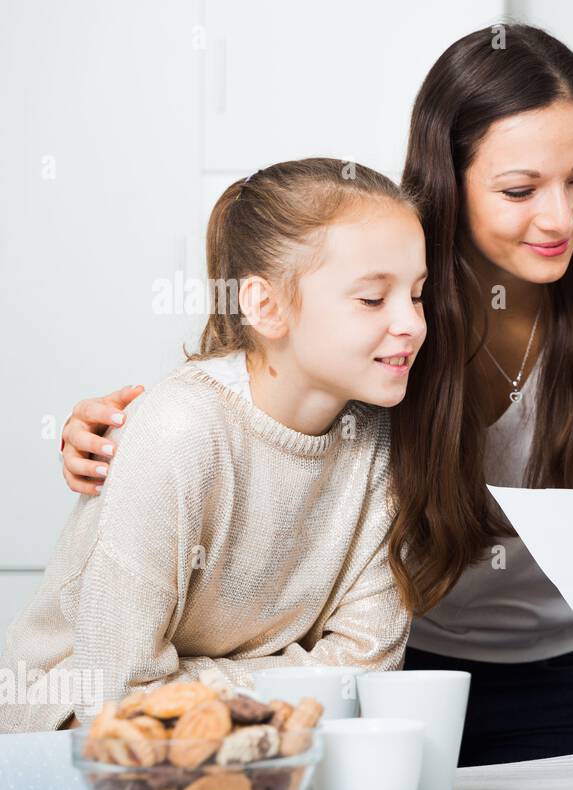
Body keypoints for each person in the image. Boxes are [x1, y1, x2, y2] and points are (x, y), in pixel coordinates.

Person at [54, 25, 573, 765]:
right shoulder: (392, 274)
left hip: (561, 659)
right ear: (451, 179)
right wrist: (115, 435)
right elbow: (266, 381)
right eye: (519, 189)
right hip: (402, 656)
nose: (560, 217)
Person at [1, 158, 423, 732]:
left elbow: (367, 669)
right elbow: (118, 691)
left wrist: (202, 678)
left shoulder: (377, 441)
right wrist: (282, 675)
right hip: (71, 739)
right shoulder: (180, 433)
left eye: (418, 295)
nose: (412, 324)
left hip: (247, 745)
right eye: (373, 300)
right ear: (265, 306)